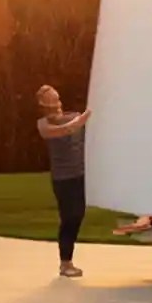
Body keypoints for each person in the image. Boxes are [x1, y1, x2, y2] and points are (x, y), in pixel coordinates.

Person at [35, 85, 91, 278]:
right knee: (69, 218)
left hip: (81, 175)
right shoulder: (43, 124)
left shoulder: (73, 116)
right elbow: (65, 130)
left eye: (56, 99)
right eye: (50, 100)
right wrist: (84, 118)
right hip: (63, 179)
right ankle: (65, 263)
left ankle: (67, 261)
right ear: (43, 105)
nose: (55, 104)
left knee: (78, 215)